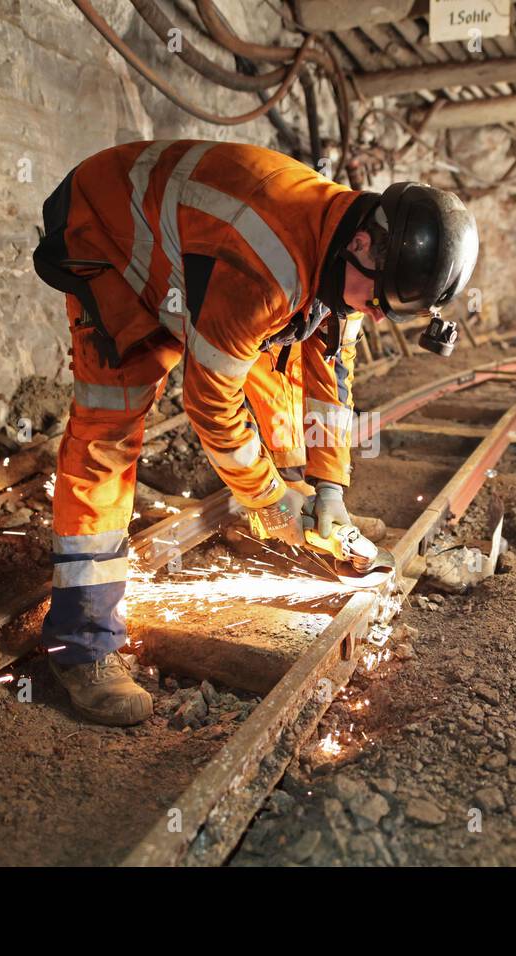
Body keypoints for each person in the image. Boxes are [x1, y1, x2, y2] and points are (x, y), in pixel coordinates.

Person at [32, 140, 478, 725]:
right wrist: (267, 498)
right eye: (377, 303)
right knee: (109, 425)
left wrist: (328, 492)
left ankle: (305, 519)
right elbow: (210, 400)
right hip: (111, 236)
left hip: (196, 257)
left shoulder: (344, 245)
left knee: (282, 360)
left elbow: (330, 377)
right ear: (364, 245)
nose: (374, 315)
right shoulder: (268, 271)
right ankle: (80, 642)